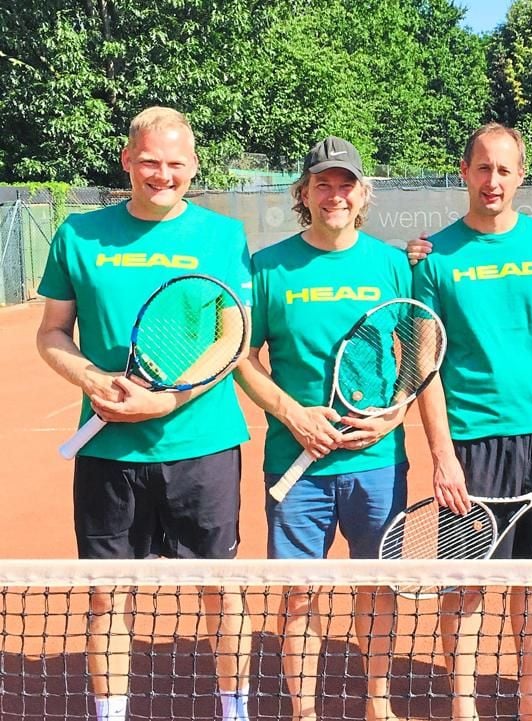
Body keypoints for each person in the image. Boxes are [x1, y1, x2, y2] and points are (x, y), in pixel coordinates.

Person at [35, 106, 252, 721]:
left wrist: (167, 398)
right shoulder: (79, 235)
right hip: (108, 454)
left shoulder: (221, 235)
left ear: (194, 167)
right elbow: (53, 332)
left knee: (221, 593)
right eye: (150, 161)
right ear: (128, 161)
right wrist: (93, 378)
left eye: (176, 164)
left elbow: (231, 334)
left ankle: (231, 710)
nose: (163, 174)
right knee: (108, 599)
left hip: (204, 447)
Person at [412, 122, 532, 721]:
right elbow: (424, 363)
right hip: (471, 444)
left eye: (505, 170)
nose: (493, 181)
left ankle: (528, 699)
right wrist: (442, 453)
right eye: (483, 168)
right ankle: (464, 706)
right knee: (464, 586)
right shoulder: (433, 257)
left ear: (521, 176)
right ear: (464, 172)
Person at [233, 137, 409, 721]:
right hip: (294, 464)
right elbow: (241, 357)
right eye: (323, 184)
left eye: (346, 184)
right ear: (303, 193)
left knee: (376, 588)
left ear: (364, 194)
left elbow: (417, 352)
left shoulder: (391, 263)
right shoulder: (267, 266)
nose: (335, 194)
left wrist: (395, 415)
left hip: (377, 462)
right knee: (299, 593)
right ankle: (304, 712)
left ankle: (377, 703)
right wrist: (293, 414)